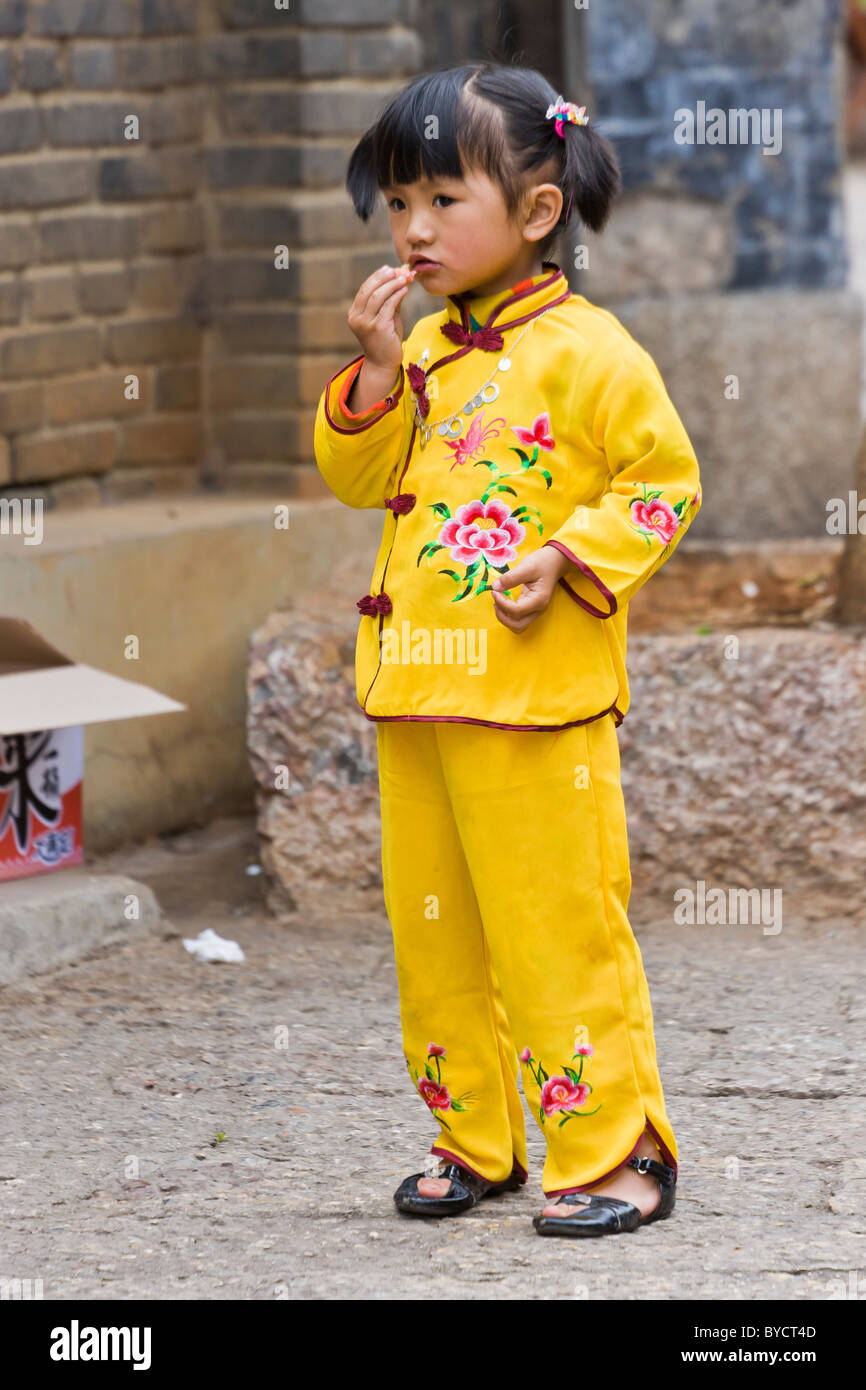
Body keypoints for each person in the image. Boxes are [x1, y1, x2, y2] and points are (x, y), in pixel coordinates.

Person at [313, 62, 701, 1238]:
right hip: (416, 696)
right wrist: (376, 374)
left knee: (555, 931)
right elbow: (356, 477)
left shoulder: (594, 352)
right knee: (433, 938)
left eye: (441, 199)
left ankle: (613, 1151)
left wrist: (570, 557)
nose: (413, 229)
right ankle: (472, 1137)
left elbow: (662, 481)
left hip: (538, 707)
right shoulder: (421, 351)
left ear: (536, 215)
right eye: (396, 204)